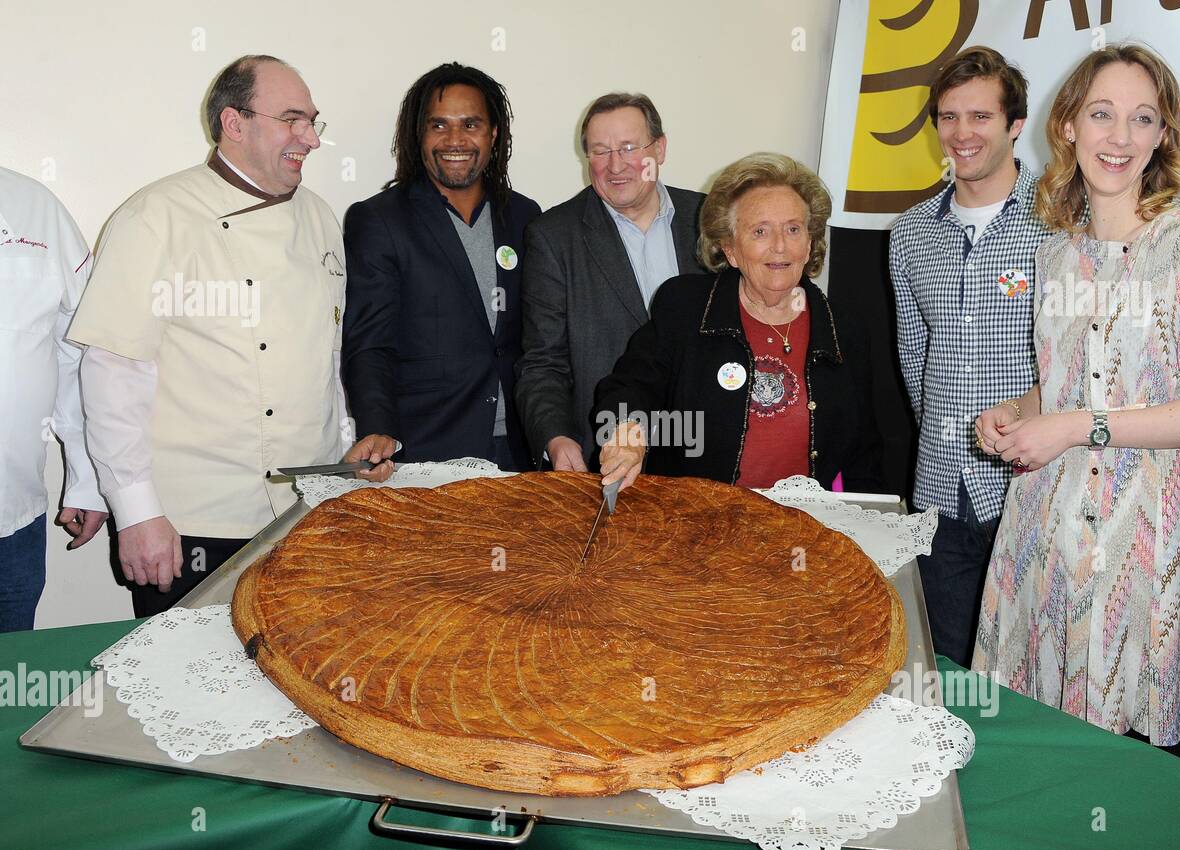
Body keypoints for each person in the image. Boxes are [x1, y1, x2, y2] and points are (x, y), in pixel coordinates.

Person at [972, 44, 1180, 747]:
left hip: (1135, 539)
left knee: (1109, 766)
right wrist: (1021, 411)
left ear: (1163, 136)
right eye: (1102, 114)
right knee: (1036, 743)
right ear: (1067, 125)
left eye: (1141, 118)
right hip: (1042, 529)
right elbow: (1071, 381)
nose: (1119, 137)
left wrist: (1072, 427)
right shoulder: (1055, 251)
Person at [69, 55, 390, 616]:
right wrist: (136, 510)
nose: (310, 139)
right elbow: (112, 373)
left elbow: (328, 361)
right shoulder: (155, 216)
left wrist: (346, 457)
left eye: (314, 121)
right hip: (190, 522)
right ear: (233, 123)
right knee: (187, 690)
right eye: (292, 119)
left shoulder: (320, 218)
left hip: (303, 513)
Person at [888, 47, 1052, 667]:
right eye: (949, 117)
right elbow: (913, 354)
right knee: (948, 667)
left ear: (1015, 126)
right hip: (939, 490)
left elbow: (1086, 357)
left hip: (1033, 485)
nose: (962, 134)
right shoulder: (909, 233)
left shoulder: (1063, 223)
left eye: (980, 117)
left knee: (1029, 667)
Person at [594, 153, 869, 491]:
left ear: (810, 243)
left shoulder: (844, 327)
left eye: (793, 229)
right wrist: (627, 431)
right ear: (730, 249)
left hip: (802, 525)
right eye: (760, 231)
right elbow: (630, 386)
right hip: (697, 521)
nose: (780, 246)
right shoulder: (685, 307)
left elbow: (871, 446)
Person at [341, 63, 541, 472]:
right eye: (439, 125)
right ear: (419, 135)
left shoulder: (525, 215)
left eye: (470, 124)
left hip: (520, 449)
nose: (455, 140)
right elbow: (369, 344)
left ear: (493, 135)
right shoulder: (379, 220)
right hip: (426, 452)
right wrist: (377, 429)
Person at [516, 92, 705, 472]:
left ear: (660, 148)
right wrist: (555, 436)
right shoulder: (553, 236)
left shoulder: (709, 219)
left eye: (629, 147)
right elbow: (542, 361)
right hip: (603, 456)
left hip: (701, 449)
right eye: (600, 151)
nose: (615, 165)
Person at [0, 167, 108, 633]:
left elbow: (78, 354)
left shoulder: (35, 207)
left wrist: (86, 479)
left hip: (13, 521)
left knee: (10, 693)